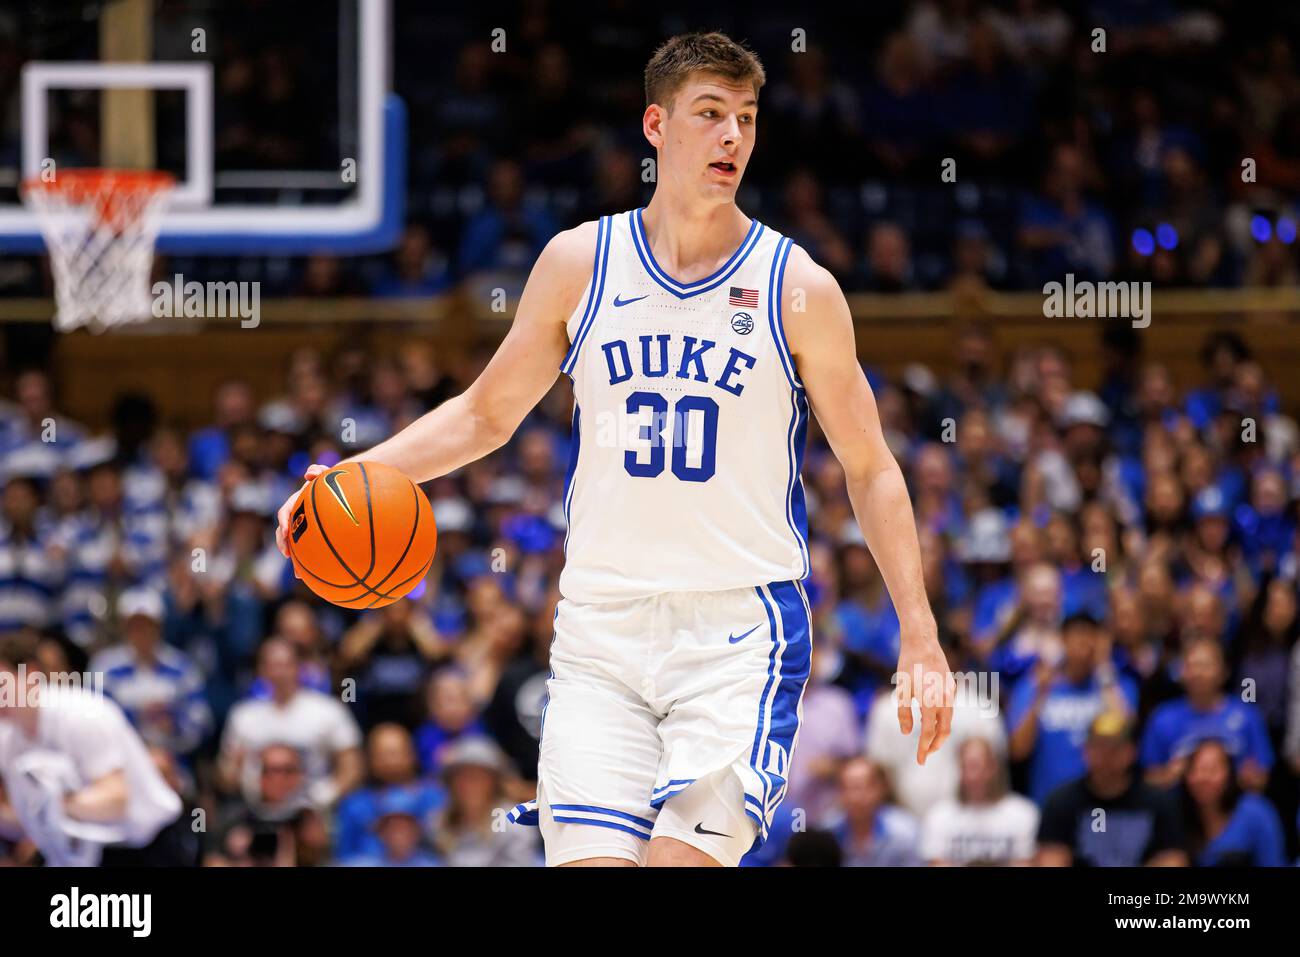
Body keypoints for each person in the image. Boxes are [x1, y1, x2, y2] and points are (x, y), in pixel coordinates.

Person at [276, 31, 953, 868]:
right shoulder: (580, 262)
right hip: (600, 632)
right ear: (656, 126)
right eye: (710, 114)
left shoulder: (799, 287)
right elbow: (486, 414)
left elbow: (871, 464)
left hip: (735, 634)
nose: (733, 136)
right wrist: (348, 477)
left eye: (746, 117)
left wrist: (918, 634)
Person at [0, 632, 195, 866]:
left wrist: (51, 805)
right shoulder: (8, 738)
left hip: (149, 847)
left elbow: (116, 800)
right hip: (87, 850)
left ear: (29, 676)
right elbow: (24, 821)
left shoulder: (81, 714)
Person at [217, 637, 364, 809]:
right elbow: (225, 776)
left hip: (314, 809)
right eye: (272, 665)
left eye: (286, 665)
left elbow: (352, 765)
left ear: (299, 667)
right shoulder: (242, 715)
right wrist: (232, 772)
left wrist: (327, 794)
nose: (279, 673)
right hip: (256, 810)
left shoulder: (329, 710)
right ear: (261, 670)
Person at [1036, 712, 1186, 867]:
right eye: (1098, 747)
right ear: (1085, 751)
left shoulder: (1159, 802)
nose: (1106, 756)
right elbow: (1051, 858)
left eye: (1115, 749)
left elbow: (1173, 858)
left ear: (1132, 752)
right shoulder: (1061, 802)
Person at [1141, 637, 1273, 792]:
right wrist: (1170, 775)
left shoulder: (1247, 715)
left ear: (1224, 671)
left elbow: (1262, 778)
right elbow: (1148, 779)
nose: (1198, 673)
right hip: (1178, 806)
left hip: (1233, 804)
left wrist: (1247, 778)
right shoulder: (1162, 718)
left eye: (1206, 665)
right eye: (1192, 665)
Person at [921, 737, 1039, 866]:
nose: (972, 776)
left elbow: (1024, 863)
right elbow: (938, 863)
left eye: (977, 767)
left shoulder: (1022, 814)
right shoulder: (940, 816)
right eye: (965, 767)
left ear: (993, 768)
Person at [1177, 738, 1287, 866]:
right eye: (1195, 769)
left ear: (1230, 774)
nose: (1203, 778)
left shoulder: (1256, 812)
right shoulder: (1177, 814)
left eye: (1212, 770)